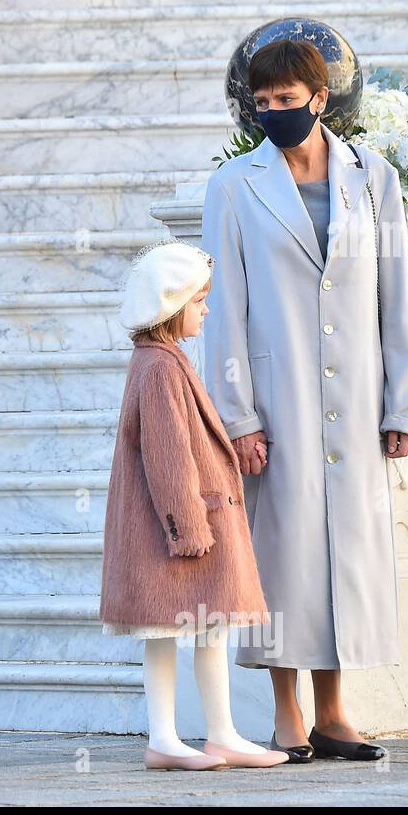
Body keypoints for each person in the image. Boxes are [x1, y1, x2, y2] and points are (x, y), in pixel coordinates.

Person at [200, 39, 408, 762]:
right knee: (284, 554)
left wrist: (403, 405)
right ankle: (285, 712)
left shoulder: (374, 179)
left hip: (356, 398)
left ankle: (335, 714)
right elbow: (225, 307)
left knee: (347, 557)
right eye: (262, 104)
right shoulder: (234, 187)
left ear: (319, 98)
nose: (274, 113)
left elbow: (401, 297)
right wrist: (237, 416)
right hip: (278, 398)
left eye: (286, 100)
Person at [101, 240, 286, 771]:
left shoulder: (163, 361)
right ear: (172, 304)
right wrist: (187, 526)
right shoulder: (160, 368)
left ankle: (221, 733)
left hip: (187, 522)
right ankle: (164, 737)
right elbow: (167, 456)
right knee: (162, 629)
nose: (206, 311)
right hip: (180, 526)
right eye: (200, 302)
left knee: (210, 625)